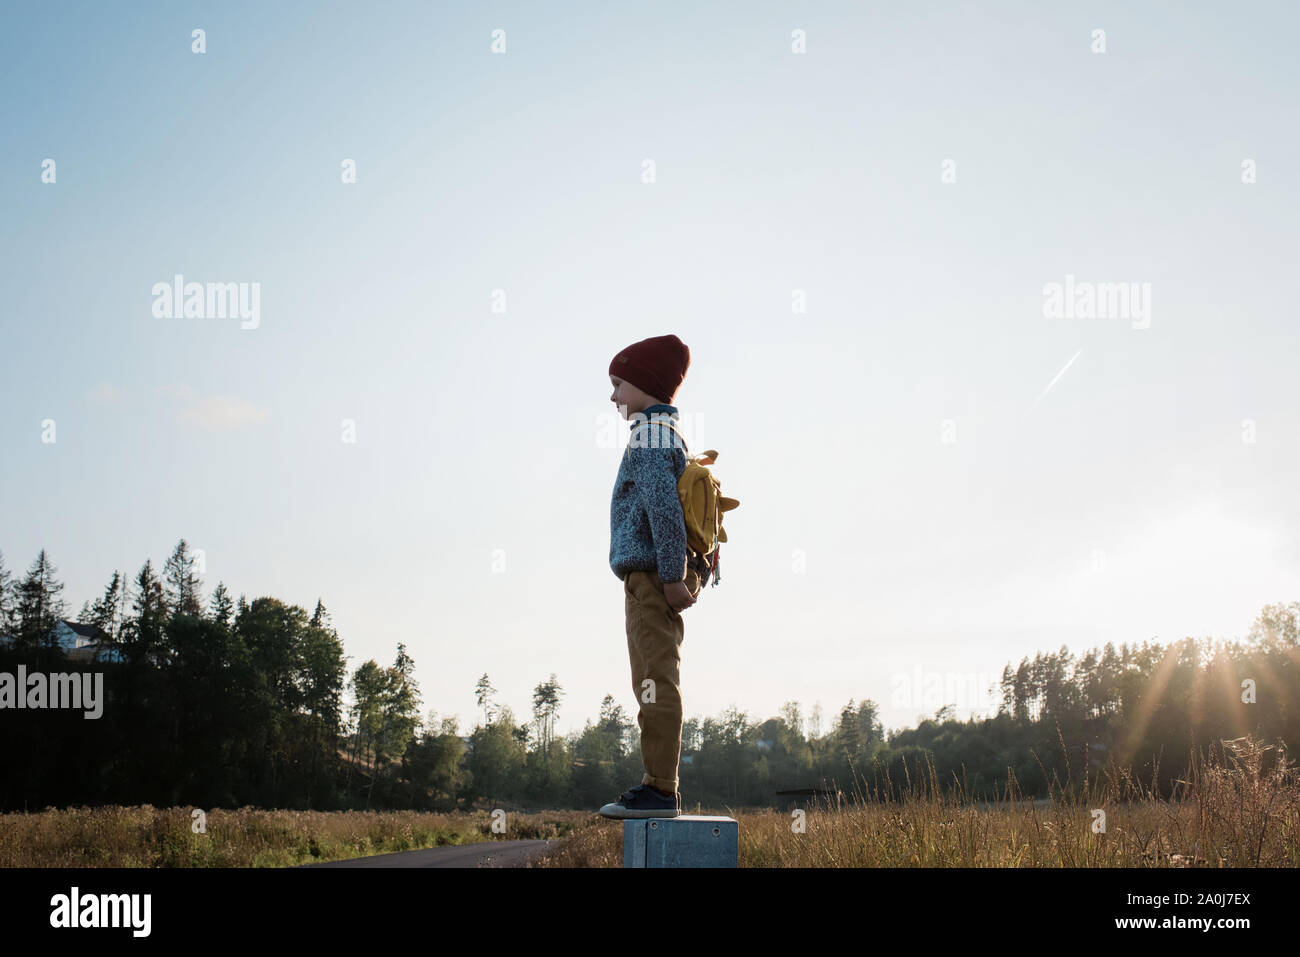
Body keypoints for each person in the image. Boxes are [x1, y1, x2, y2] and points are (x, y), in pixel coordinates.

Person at [599, 333, 700, 819]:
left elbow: (663, 508)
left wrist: (671, 574)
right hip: (651, 578)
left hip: (651, 579)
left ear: (645, 383)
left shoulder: (651, 434)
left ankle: (660, 791)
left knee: (655, 682)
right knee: (651, 682)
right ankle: (656, 786)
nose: (614, 396)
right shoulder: (666, 433)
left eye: (619, 383)